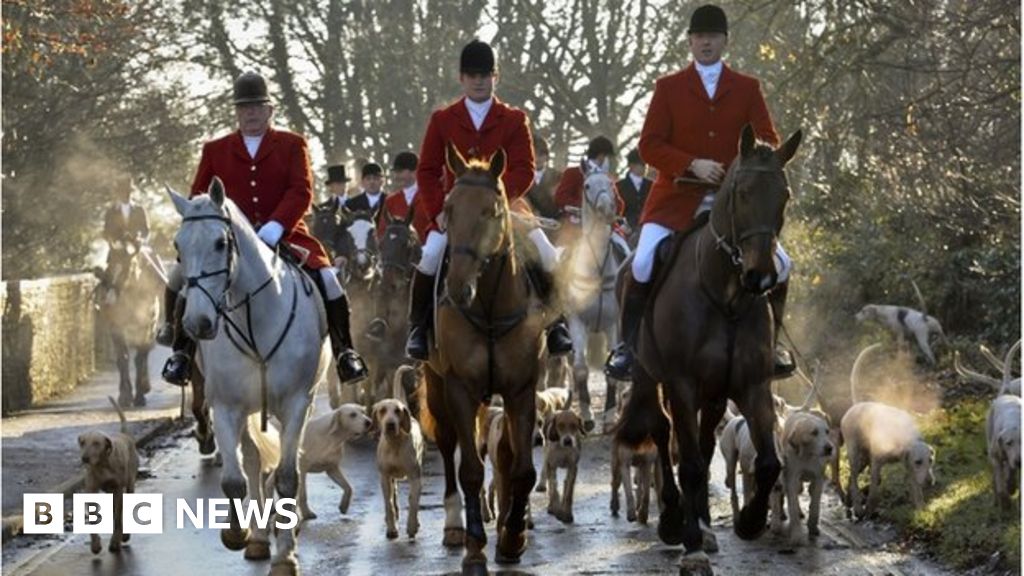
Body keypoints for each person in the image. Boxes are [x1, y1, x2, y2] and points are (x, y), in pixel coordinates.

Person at [604, 4, 794, 380]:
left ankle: (773, 344)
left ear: (724, 41)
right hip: (676, 197)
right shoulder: (668, 87)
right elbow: (650, 145)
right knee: (641, 264)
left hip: (736, 202)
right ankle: (628, 347)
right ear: (690, 42)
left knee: (784, 264)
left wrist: (740, 166)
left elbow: (768, 141)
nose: (706, 42)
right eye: (700, 37)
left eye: (713, 36)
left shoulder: (747, 87)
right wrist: (692, 164)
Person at [159, 71, 367, 386]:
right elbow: (198, 197)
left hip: (285, 234)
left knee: (328, 280)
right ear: (236, 112)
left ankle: (344, 352)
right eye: (244, 107)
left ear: (270, 110)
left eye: (257, 106)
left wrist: (275, 226)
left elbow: (302, 191)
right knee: (181, 279)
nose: (251, 113)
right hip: (227, 239)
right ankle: (181, 355)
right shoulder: (215, 149)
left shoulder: (292, 144)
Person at [406, 39, 572, 361]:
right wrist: (439, 209)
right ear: (461, 78)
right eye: (472, 74)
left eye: (485, 74)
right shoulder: (442, 119)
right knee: (430, 256)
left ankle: (556, 325)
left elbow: (524, 168)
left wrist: (496, 200)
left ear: (496, 76)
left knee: (547, 253)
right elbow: (427, 170)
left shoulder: (513, 119)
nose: (478, 80)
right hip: (456, 211)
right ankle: (418, 327)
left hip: (506, 207)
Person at [365, 151, 422, 342]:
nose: (397, 176)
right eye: (396, 172)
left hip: (422, 249)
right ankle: (380, 320)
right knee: (382, 279)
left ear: (413, 172)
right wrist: (385, 247)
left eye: (401, 171)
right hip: (396, 254)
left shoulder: (428, 195)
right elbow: (381, 230)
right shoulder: (391, 200)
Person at [553, 135, 628, 247]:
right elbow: (560, 197)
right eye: (608, 157)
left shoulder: (606, 177)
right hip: (577, 225)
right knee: (562, 254)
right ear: (602, 156)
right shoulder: (573, 173)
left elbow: (620, 204)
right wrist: (587, 208)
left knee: (623, 248)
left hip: (604, 226)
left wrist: (610, 208)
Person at [617, 148, 653, 241]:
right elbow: (616, 210)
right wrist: (621, 225)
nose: (645, 167)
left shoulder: (652, 185)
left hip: (647, 229)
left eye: (646, 164)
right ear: (631, 165)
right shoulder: (619, 186)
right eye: (642, 164)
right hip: (626, 231)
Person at [524, 134, 561, 220]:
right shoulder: (521, 176)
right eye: (533, 155)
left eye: (541, 155)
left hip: (552, 222)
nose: (537, 159)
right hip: (527, 222)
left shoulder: (558, 176)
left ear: (547, 156)